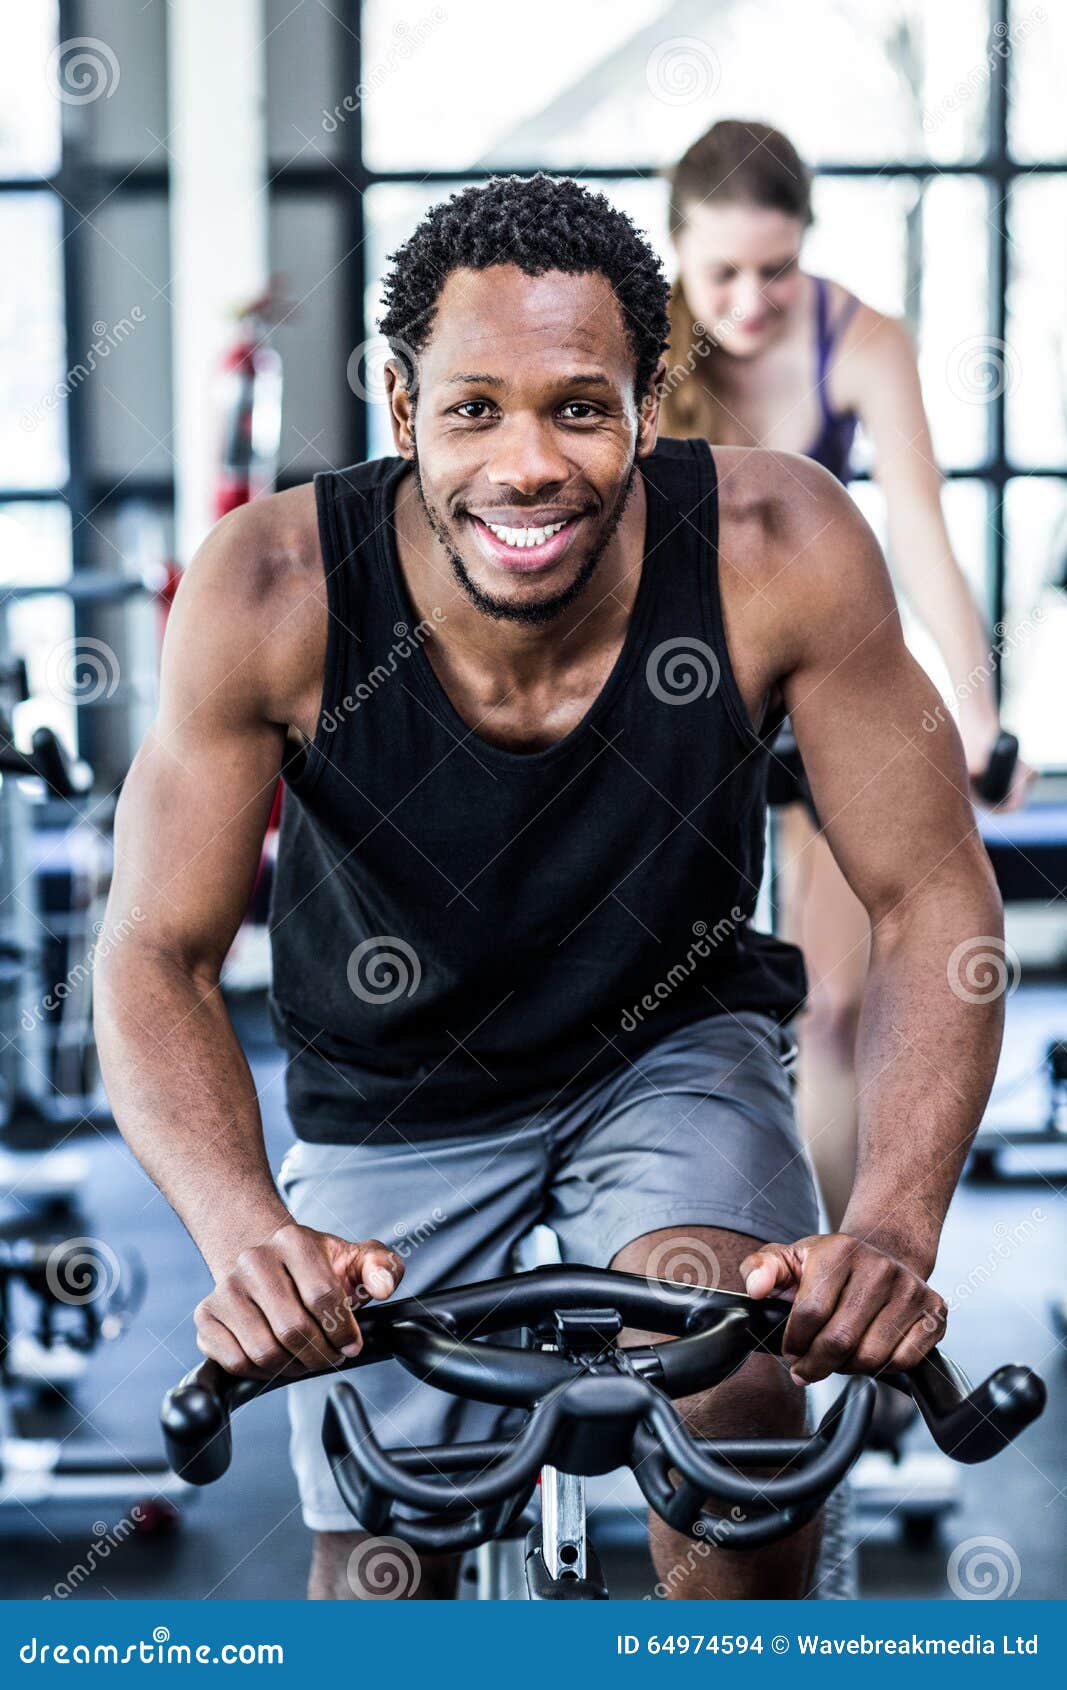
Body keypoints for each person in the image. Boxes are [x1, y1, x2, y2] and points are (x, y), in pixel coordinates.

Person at [95, 174, 1003, 1602]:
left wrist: (887, 1225)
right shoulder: (271, 584)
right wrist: (245, 1230)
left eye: (579, 407)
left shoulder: (779, 547)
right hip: (389, 1081)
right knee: (384, 1552)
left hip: (668, 1049)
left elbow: (933, 902)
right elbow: (152, 950)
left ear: (649, 403)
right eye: (472, 410)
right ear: (401, 412)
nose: (527, 463)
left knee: (738, 1389)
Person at [660, 119, 1030, 1229]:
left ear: (805, 247)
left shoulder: (859, 339)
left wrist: (977, 712)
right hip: (672, 693)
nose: (749, 299)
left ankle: (837, 1296)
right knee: (662, 1009)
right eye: (720, 271)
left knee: (829, 1006)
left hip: (811, 677)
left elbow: (917, 529)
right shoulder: (640, 336)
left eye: (774, 269)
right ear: (675, 246)